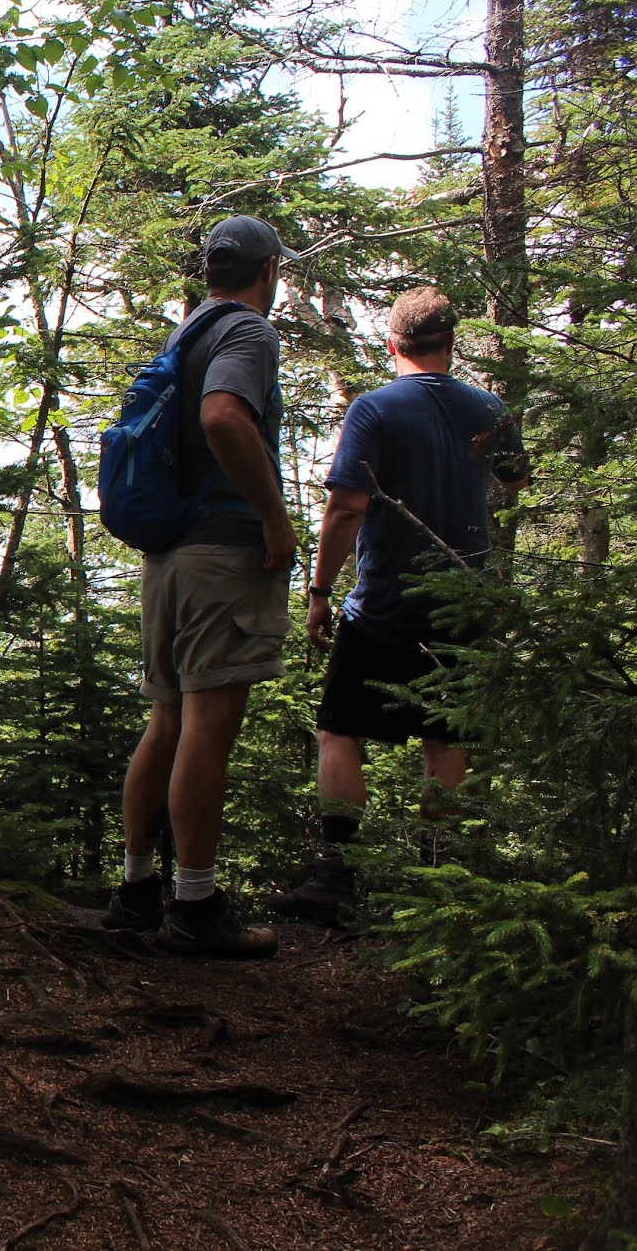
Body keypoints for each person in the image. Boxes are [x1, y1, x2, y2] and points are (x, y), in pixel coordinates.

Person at [268, 287, 529, 925]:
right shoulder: (488, 407)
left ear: (392, 344)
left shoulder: (374, 410)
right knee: (444, 738)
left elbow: (347, 507)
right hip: (463, 605)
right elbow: (517, 476)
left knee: (340, 728)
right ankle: (436, 884)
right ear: (450, 343)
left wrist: (320, 591)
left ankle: (336, 878)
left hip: (383, 601)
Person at [101, 215, 297, 959]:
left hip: (169, 556)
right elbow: (223, 417)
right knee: (208, 723)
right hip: (221, 553)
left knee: (167, 719)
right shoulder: (247, 333)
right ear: (269, 270)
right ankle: (195, 905)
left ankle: (137, 889)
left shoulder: (184, 334)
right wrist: (274, 518)